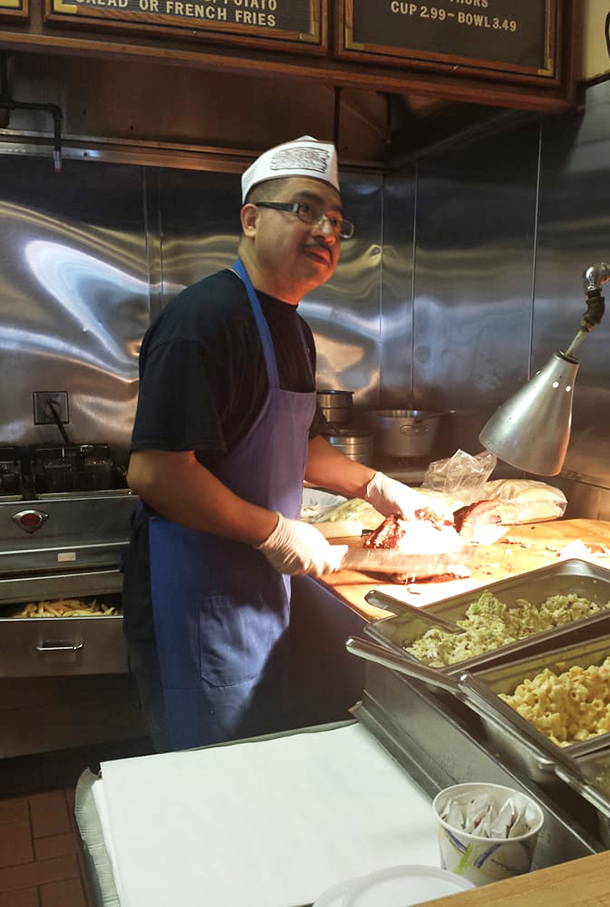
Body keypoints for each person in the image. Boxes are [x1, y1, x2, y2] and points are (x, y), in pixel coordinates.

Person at [121, 135, 447, 752]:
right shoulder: (204, 321)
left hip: (258, 590)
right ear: (251, 219)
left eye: (336, 221)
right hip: (195, 595)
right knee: (209, 770)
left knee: (257, 757)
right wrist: (274, 532)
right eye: (304, 209)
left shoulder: (292, 329)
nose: (325, 230)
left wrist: (377, 486)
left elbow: (299, 443)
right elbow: (157, 473)